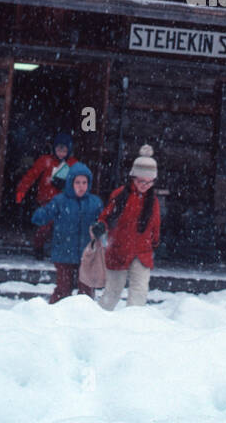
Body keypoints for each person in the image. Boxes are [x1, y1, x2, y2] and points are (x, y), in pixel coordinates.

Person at [95, 145, 161, 310]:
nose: (144, 185)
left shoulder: (153, 202)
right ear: (133, 177)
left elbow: (155, 226)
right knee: (112, 292)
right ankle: (99, 321)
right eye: (140, 181)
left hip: (142, 252)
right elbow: (105, 217)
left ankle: (133, 325)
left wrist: (154, 242)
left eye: (149, 182)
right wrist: (101, 227)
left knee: (139, 292)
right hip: (118, 250)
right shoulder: (120, 195)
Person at [31, 160, 103, 303]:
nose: (81, 186)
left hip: (86, 254)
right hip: (64, 251)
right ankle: (55, 315)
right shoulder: (60, 201)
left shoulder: (95, 203)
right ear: (71, 183)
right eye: (77, 183)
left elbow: (103, 220)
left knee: (86, 291)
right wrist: (40, 215)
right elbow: (45, 214)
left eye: (84, 183)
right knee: (63, 289)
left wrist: (101, 227)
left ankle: (84, 318)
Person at [16, 132, 78, 256]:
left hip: (65, 202)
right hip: (47, 201)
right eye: (58, 149)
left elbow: (81, 181)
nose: (61, 153)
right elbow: (31, 176)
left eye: (64, 150)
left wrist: (66, 186)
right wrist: (21, 191)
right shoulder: (46, 161)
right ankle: (38, 248)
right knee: (45, 226)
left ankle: (61, 250)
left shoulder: (73, 164)